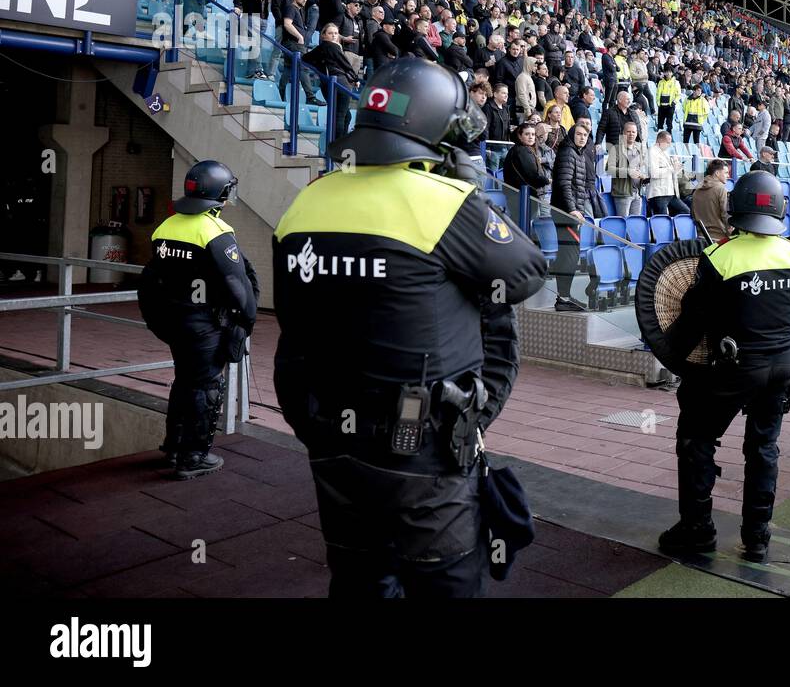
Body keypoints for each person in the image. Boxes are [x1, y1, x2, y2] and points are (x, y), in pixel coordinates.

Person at [273, 58, 546, 597]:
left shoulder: (306, 201)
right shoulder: (443, 204)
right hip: (423, 446)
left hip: (330, 433)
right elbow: (526, 273)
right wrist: (470, 187)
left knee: (357, 578)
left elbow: (293, 315)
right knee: (444, 583)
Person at [658, 171, 790, 562]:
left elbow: (693, 321)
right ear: (780, 209)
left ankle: (697, 530)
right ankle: (757, 538)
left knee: (696, 438)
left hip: (733, 370)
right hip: (784, 367)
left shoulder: (719, 257)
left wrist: (666, 350)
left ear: (737, 208)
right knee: (764, 447)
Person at [136, 161, 258, 479]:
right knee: (206, 386)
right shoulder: (215, 231)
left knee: (185, 381)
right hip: (204, 325)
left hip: (173, 322)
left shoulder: (166, 227)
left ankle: (174, 447)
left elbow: (153, 279)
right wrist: (246, 322)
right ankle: (193, 457)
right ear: (220, 193)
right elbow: (237, 285)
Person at [551, 123, 593, 312]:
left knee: (569, 254)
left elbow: (580, 187)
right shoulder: (568, 152)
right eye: (579, 134)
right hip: (565, 212)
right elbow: (564, 184)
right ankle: (563, 298)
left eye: (585, 135)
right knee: (569, 255)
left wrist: (579, 210)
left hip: (572, 211)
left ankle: (564, 297)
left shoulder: (579, 153)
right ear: (571, 134)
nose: (583, 137)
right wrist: (572, 210)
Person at [502, 121, 550, 223]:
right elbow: (532, 176)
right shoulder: (522, 151)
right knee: (523, 226)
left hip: (519, 195)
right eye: (527, 134)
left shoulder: (521, 149)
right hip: (521, 197)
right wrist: (547, 180)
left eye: (533, 134)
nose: (531, 137)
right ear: (519, 136)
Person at [647, 131, 689, 216]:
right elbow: (654, 173)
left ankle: (675, 229)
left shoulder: (665, 152)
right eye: (667, 142)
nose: (669, 145)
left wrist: (678, 167)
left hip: (670, 192)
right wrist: (672, 168)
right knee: (661, 220)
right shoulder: (652, 151)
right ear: (659, 140)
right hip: (659, 193)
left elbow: (671, 172)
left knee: (686, 212)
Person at [692, 159, 731, 243]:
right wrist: (730, 233)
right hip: (719, 239)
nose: (728, 176)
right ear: (717, 173)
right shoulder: (721, 189)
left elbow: (693, 214)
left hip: (700, 237)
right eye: (726, 172)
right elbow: (726, 215)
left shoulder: (697, 189)